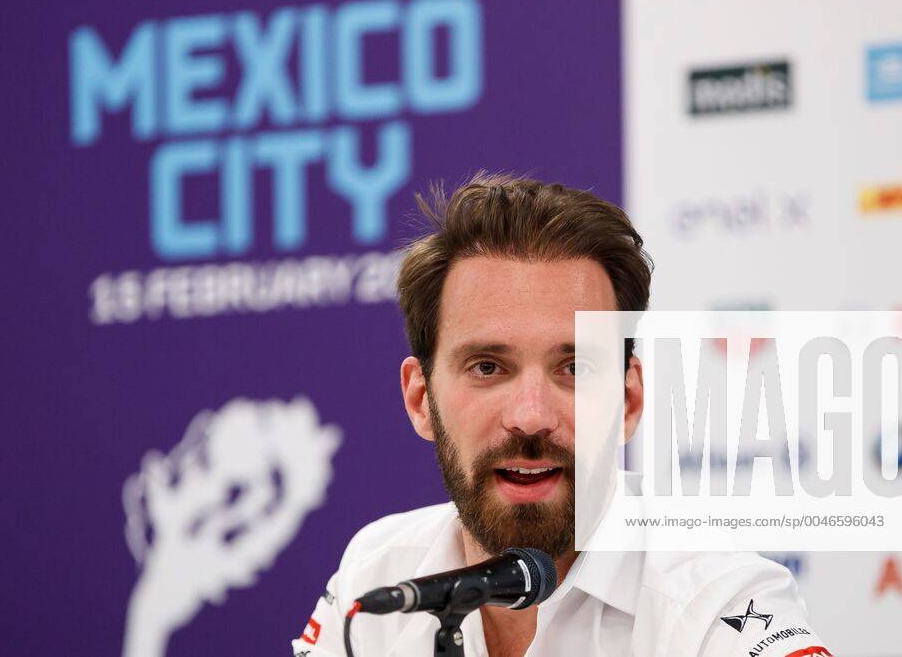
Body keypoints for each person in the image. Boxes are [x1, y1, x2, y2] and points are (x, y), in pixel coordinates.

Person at [292, 174, 830, 657]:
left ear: (628, 401)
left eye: (575, 368)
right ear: (420, 399)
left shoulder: (720, 605)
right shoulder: (377, 575)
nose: (530, 417)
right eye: (487, 367)